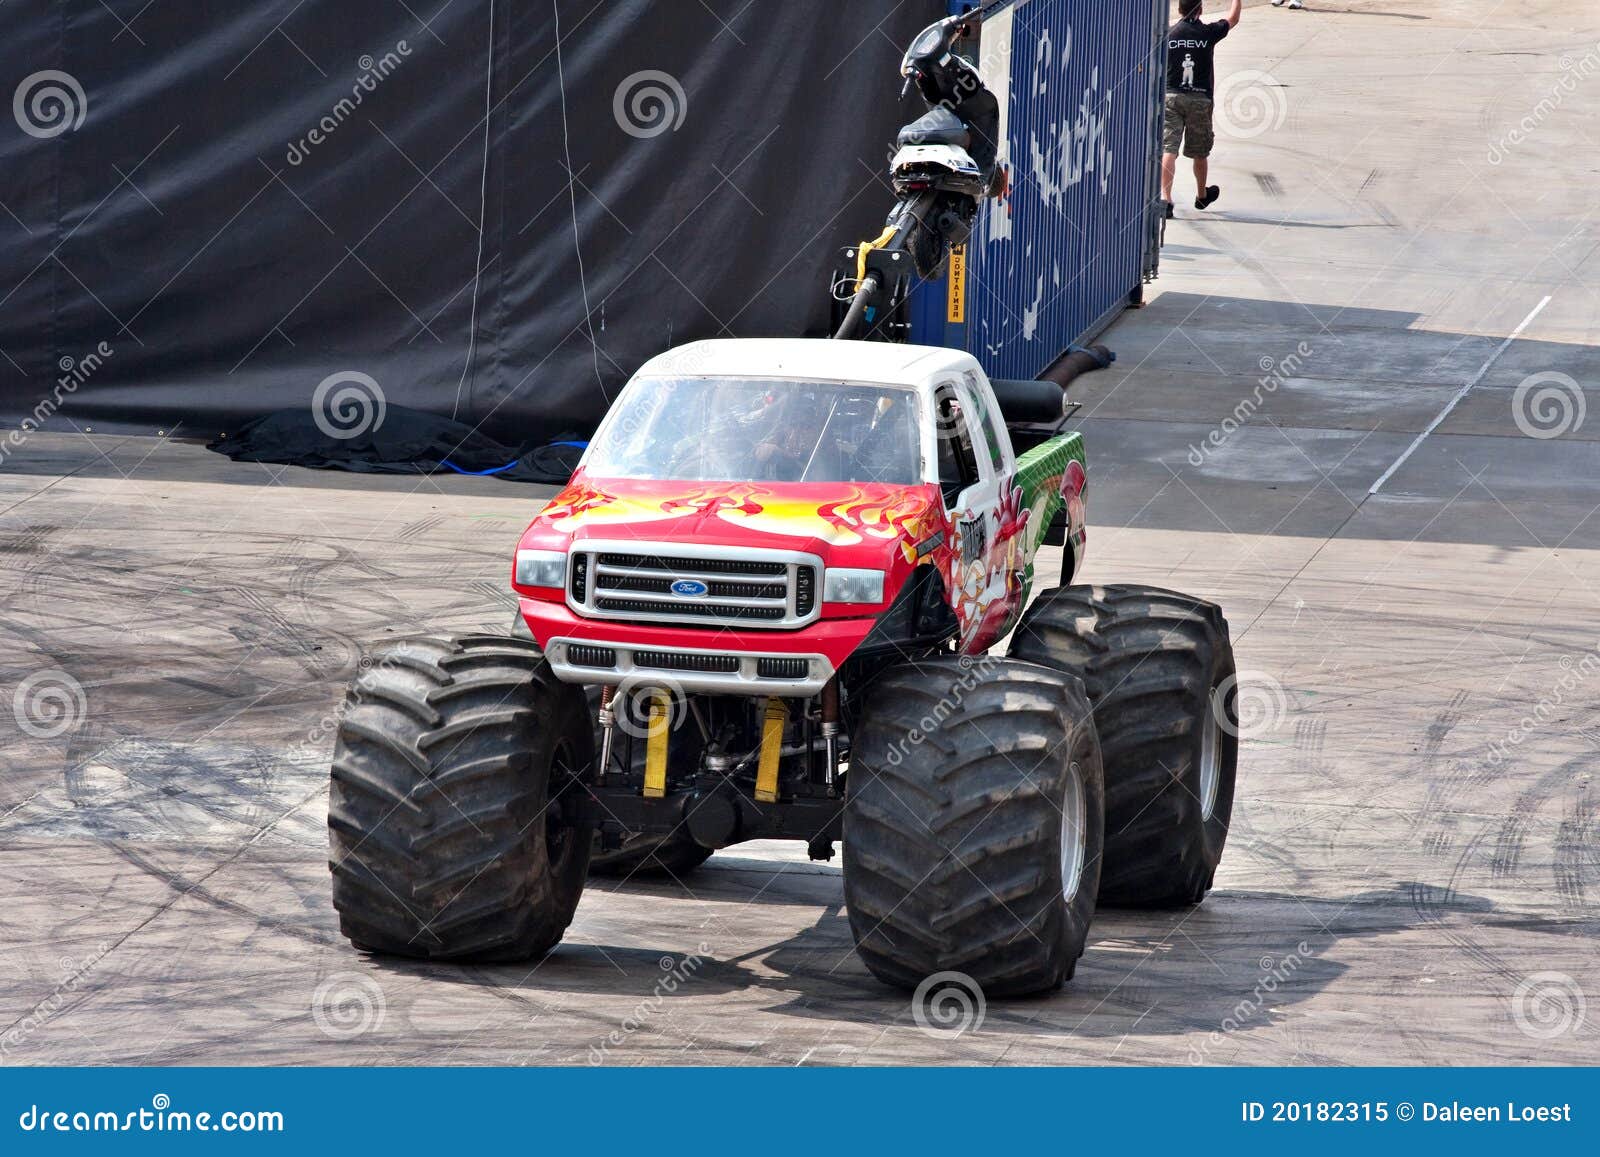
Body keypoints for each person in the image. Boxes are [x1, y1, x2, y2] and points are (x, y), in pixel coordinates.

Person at [1161, 0, 1242, 217]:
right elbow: (1233, 19)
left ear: (1179, 9)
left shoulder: (1169, 34)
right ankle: (1201, 195)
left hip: (1171, 96)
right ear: (1200, 10)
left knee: (1169, 148)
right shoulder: (1207, 32)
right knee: (1200, 152)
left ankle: (1166, 199)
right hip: (1199, 98)